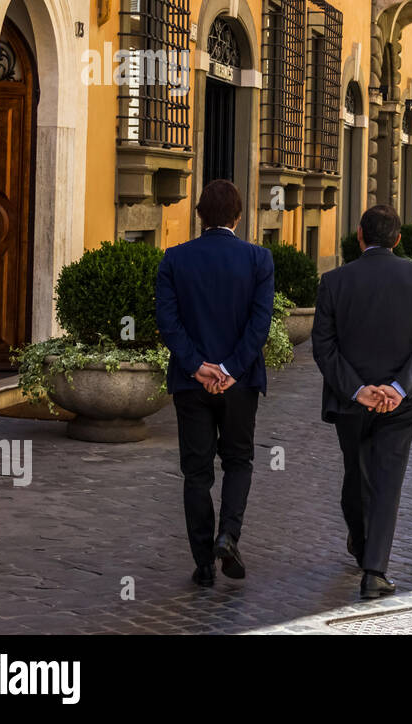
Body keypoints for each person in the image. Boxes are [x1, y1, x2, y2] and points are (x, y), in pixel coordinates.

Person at [312, 204, 412, 600]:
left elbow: (323, 346)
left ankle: (360, 539)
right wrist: (399, 388)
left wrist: (358, 390)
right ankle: (374, 570)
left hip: (351, 403)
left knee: (355, 473)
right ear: (399, 239)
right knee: (386, 481)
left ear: (359, 235)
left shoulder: (334, 281)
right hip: (399, 404)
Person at [154, 180, 274, 588]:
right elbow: (259, 327)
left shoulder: (174, 259)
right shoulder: (259, 260)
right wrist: (231, 369)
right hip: (239, 385)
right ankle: (228, 535)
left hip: (192, 385)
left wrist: (197, 367)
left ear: (199, 214)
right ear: (238, 216)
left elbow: (168, 323)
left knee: (196, 471)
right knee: (239, 460)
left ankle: (204, 562)